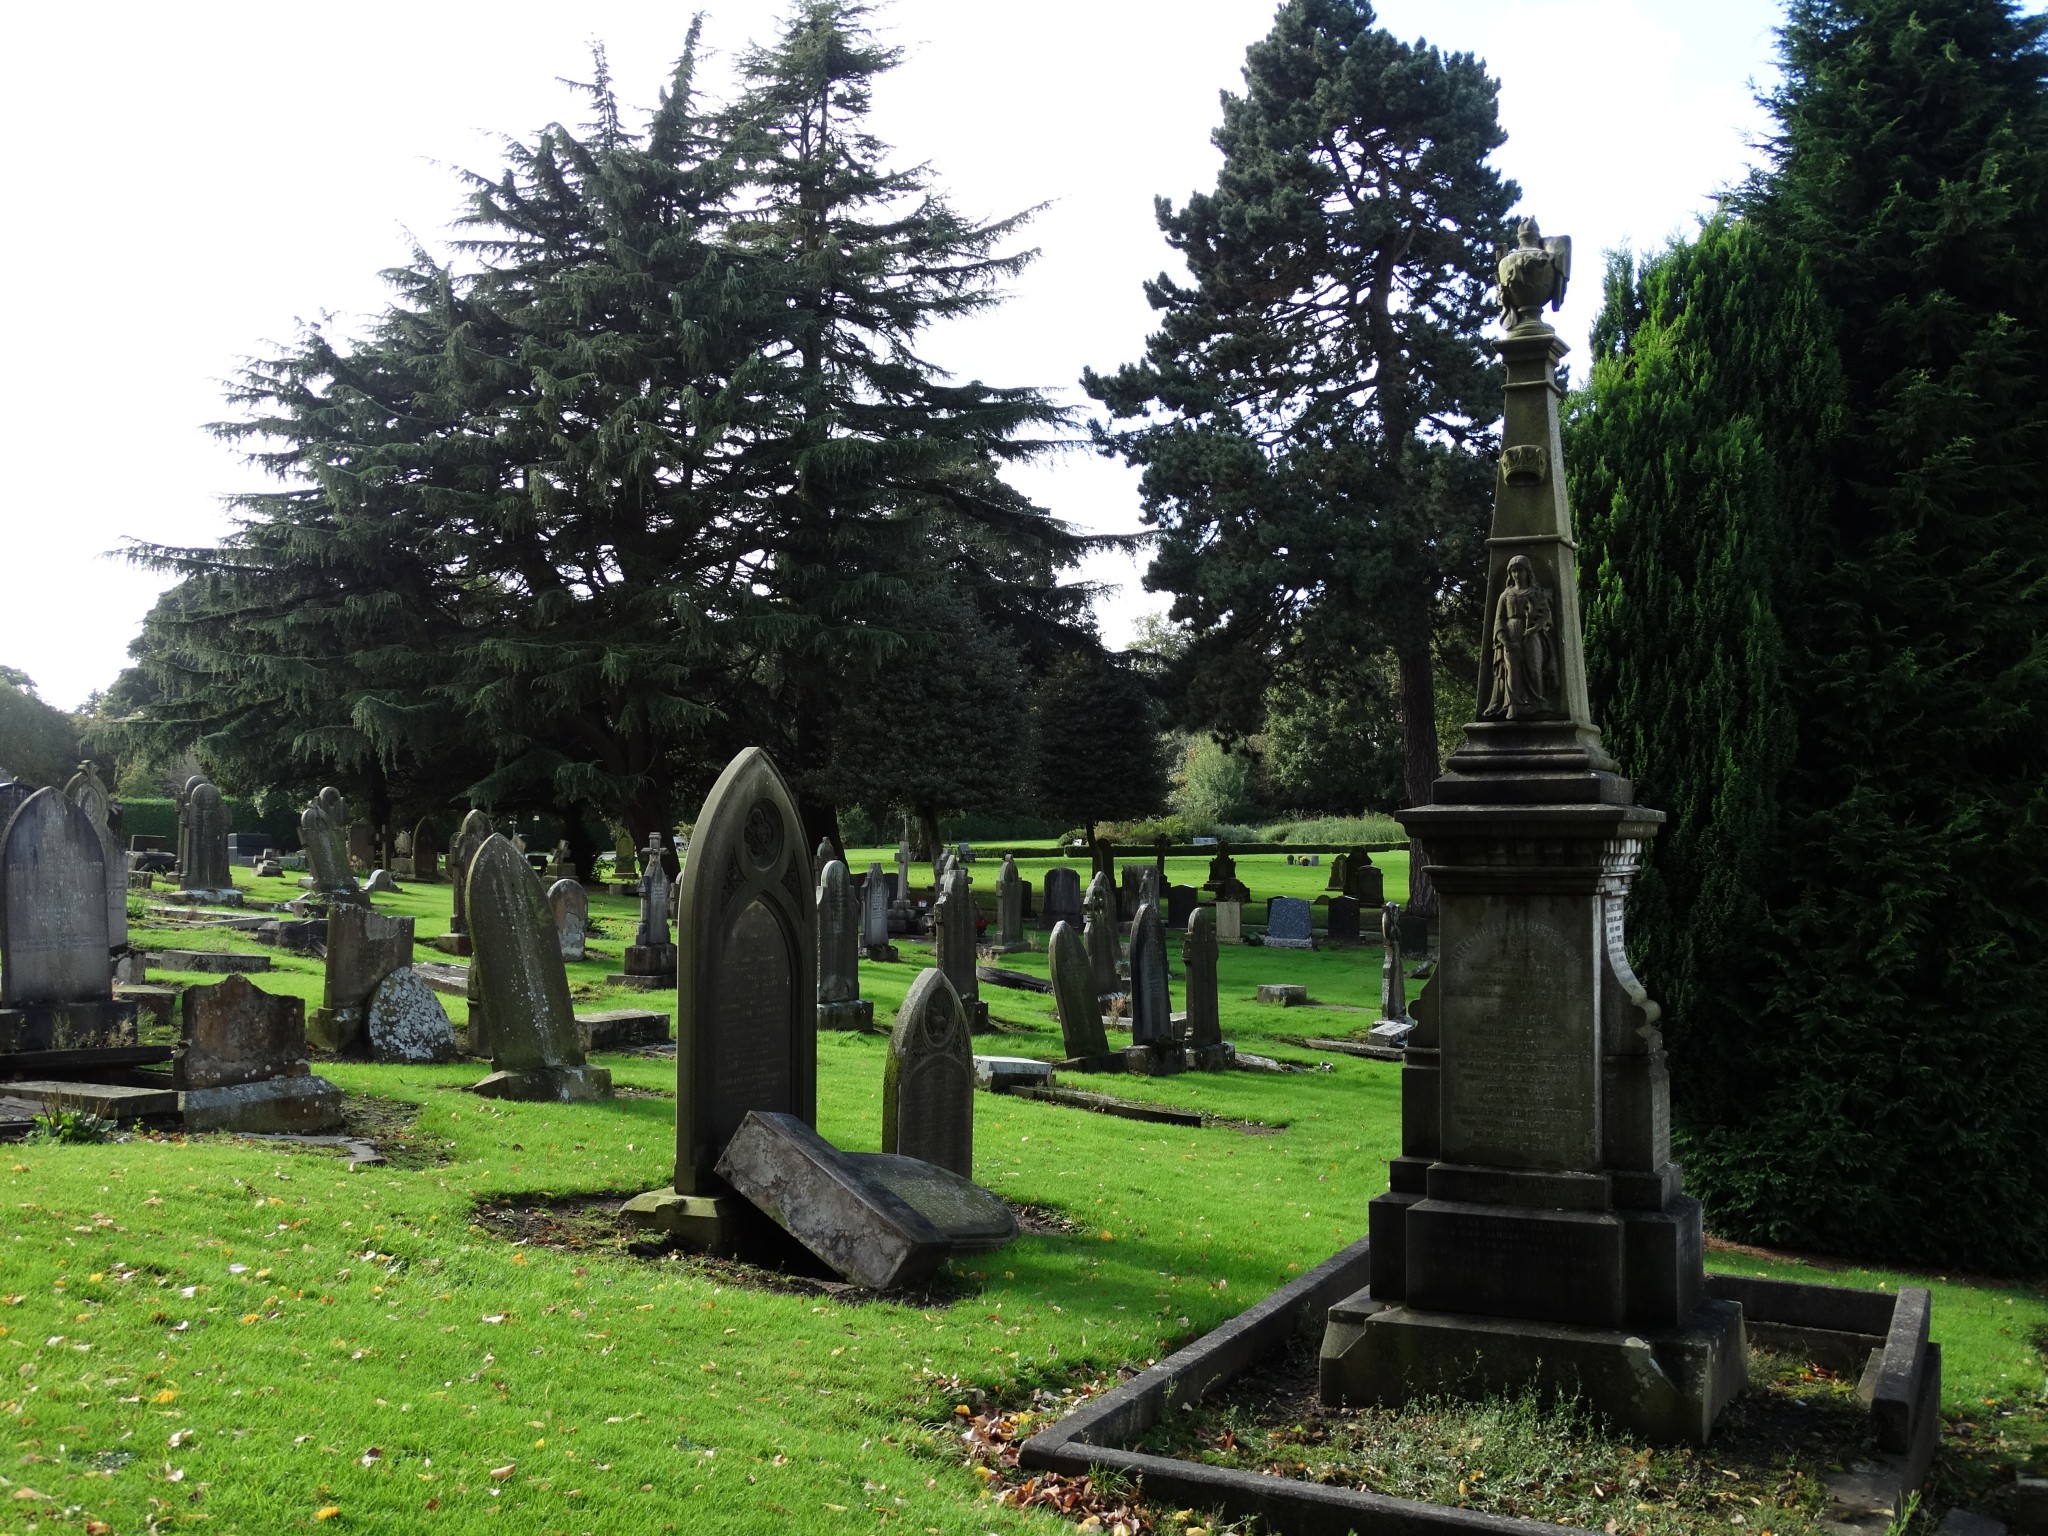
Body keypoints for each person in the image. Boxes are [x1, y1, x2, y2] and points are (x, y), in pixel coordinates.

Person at [1483, 554, 1558, 719]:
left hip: (1531, 635)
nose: (1517, 575)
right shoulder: (1505, 595)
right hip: (1510, 635)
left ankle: (1538, 702)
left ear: (1528, 572)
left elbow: (1546, 616)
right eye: (1513, 571)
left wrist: (1535, 628)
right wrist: (1505, 641)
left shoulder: (1536, 593)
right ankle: (1514, 705)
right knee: (1513, 672)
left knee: (1534, 668)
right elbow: (1498, 621)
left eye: (1520, 571)